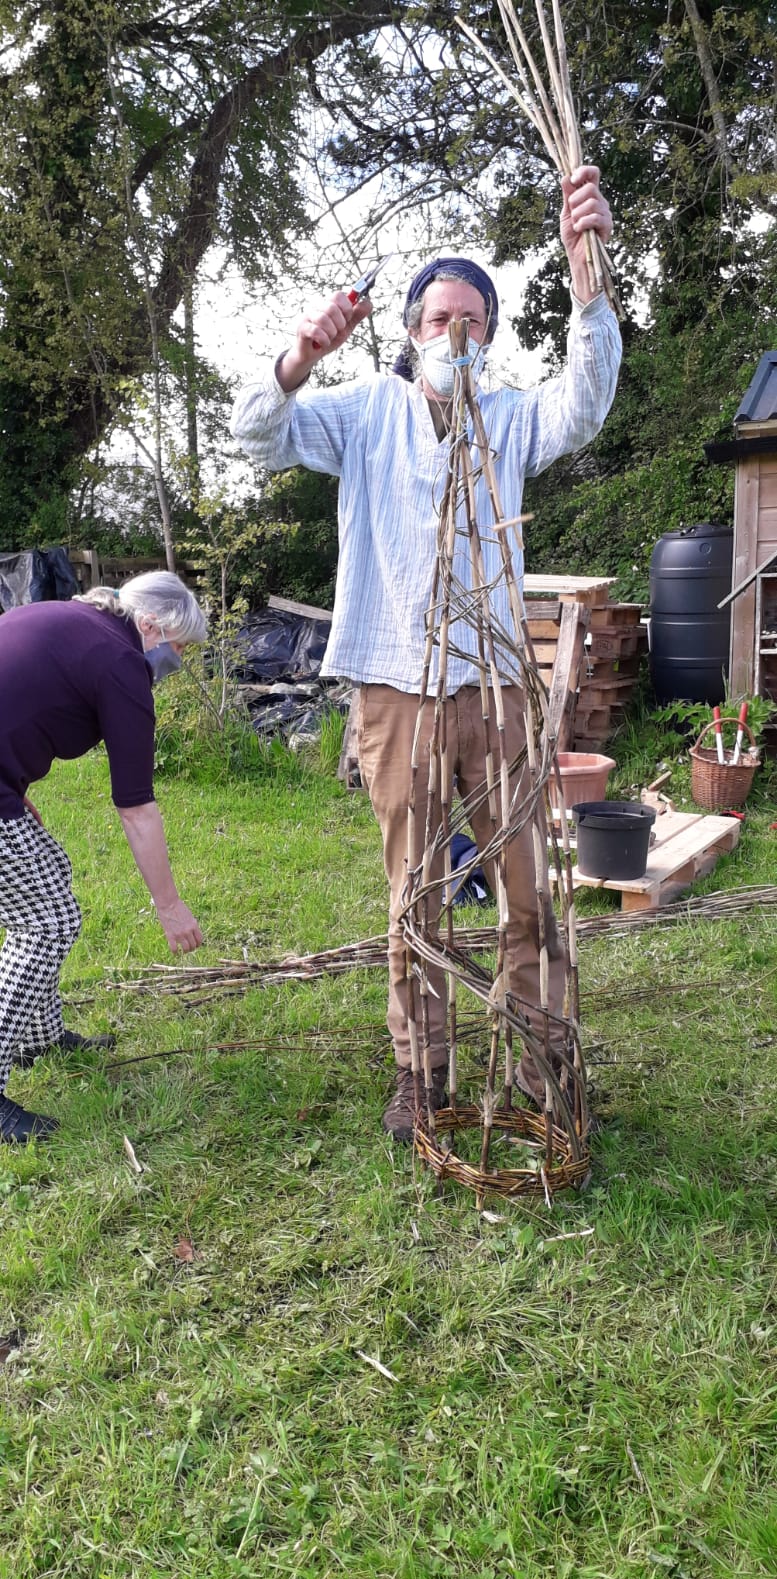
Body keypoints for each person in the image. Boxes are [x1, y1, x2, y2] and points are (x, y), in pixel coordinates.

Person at [230, 165, 622, 1142]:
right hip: (396, 688)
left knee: (526, 878)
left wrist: (588, 286)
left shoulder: (511, 417)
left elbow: (588, 403)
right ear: (411, 332)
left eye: (475, 321)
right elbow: (256, 438)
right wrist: (300, 355)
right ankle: (422, 1066)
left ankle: (540, 1058)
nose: (456, 333)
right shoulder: (366, 411)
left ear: (491, 336)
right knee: (416, 886)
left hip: (494, 686)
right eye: (440, 317)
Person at [0, 571, 207, 1144]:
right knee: (47, 922)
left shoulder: (72, 619)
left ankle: (39, 1035)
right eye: (178, 646)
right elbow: (136, 806)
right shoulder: (121, 664)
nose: (177, 660)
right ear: (149, 625)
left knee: (50, 880)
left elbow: (16, 699)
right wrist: (168, 905)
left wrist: (14, 791)